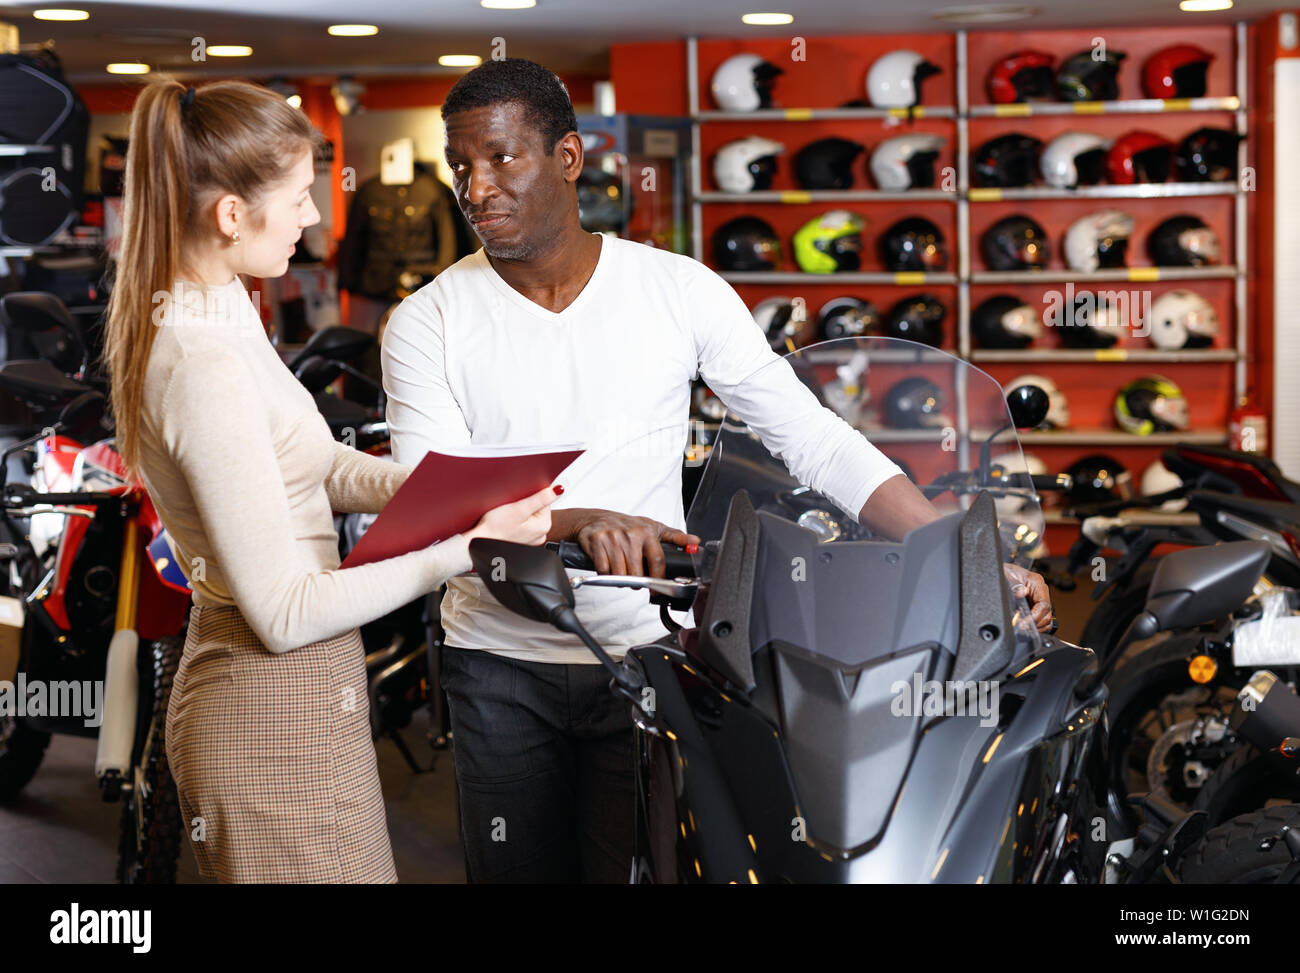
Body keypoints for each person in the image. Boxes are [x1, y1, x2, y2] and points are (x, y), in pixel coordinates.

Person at [381, 58, 1054, 884]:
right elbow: (435, 497)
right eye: (462, 166)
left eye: (500, 158)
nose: (477, 188)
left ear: (568, 156)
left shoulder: (675, 290)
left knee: (653, 868)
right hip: (497, 660)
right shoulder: (428, 322)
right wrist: (579, 520)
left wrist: (960, 551)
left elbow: (814, 438)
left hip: (650, 653)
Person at [101, 77, 557, 883]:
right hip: (263, 704)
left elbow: (314, 466)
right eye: (300, 197)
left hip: (310, 699)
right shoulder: (202, 364)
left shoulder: (229, 311)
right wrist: (466, 545)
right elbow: (281, 612)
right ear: (231, 215)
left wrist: (447, 488)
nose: (316, 217)